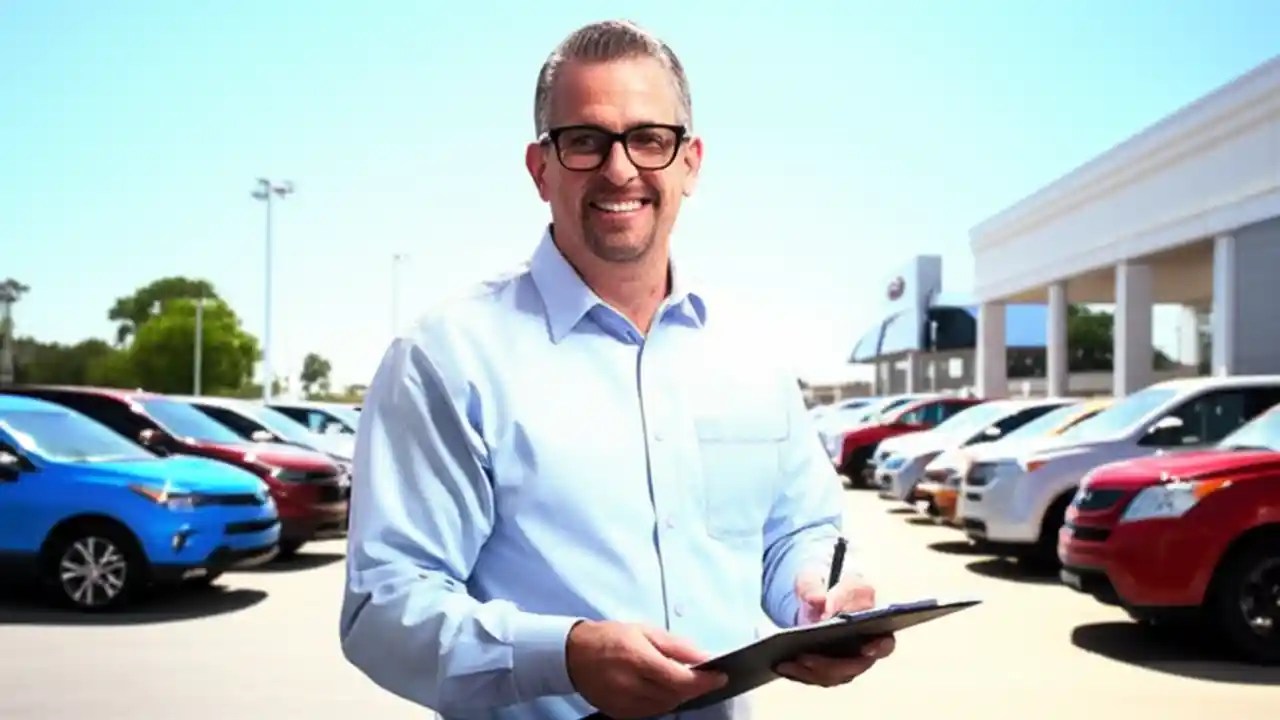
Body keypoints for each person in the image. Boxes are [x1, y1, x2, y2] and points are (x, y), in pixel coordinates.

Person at [339, 19, 894, 720]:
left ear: (690, 162)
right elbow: (384, 607)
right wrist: (566, 654)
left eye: (649, 139)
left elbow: (797, 530)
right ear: (540, 168)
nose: (621, 169)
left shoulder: (751, 354)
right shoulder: (446, 358)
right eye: (585, 141)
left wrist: (815, 596)